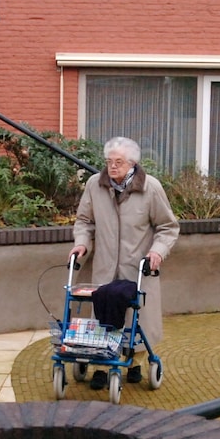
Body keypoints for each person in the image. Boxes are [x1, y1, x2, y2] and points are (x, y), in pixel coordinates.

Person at [69, 137, 180, 390]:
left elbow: (167, 227)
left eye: (118, 162)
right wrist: (82, 243)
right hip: (104, 266)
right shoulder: (95, 185)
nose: (112, 166)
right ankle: (100, 366)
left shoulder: (150, 188)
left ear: (132, 163)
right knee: (103, 313)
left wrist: (157, 252)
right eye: (109, 161)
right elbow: (84, 221)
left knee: (136, 317)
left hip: (137, 267)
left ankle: (135, 363)